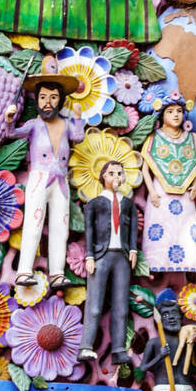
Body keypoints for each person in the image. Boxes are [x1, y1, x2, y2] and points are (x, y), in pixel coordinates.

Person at [4, 57, 85, 289]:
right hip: (39, 178)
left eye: (53, 97)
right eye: (42, 97)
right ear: (37, 100)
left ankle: (58, 273)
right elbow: (11, 133)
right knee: (34, 223)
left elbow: (78, 137)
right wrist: (9, 119)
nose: (47, 102)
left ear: (61, 100)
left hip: (61, 182)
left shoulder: (67, 124)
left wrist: (78, 117)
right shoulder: (34, 125)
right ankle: (23, 271)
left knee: (61, 226)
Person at [79, 158, 138, 370]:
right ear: (103, 176)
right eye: (112, 173)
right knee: (94, 304)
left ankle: (118, 349)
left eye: (120, 173)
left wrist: (132, 250)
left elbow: (133, 230)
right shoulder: (94, 204)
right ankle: (86, 345)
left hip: (121, 256)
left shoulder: (128, 204)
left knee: (121, 306)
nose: (117, 177)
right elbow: (89, 232)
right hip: (101, 256)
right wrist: (89, 255)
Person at [140, 92, 196, 274]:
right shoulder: (154, 137)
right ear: (162, 115)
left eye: (179, 111)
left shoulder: (191, 138)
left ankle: (187, 263)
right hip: (161, 191)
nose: (176, 115)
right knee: (160, 229)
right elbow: (146, 168)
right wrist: (151, 191)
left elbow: (195, 163)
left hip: (184, 192)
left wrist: (195, 185)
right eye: (170, 112)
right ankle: (156, 263)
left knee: (185, 229)